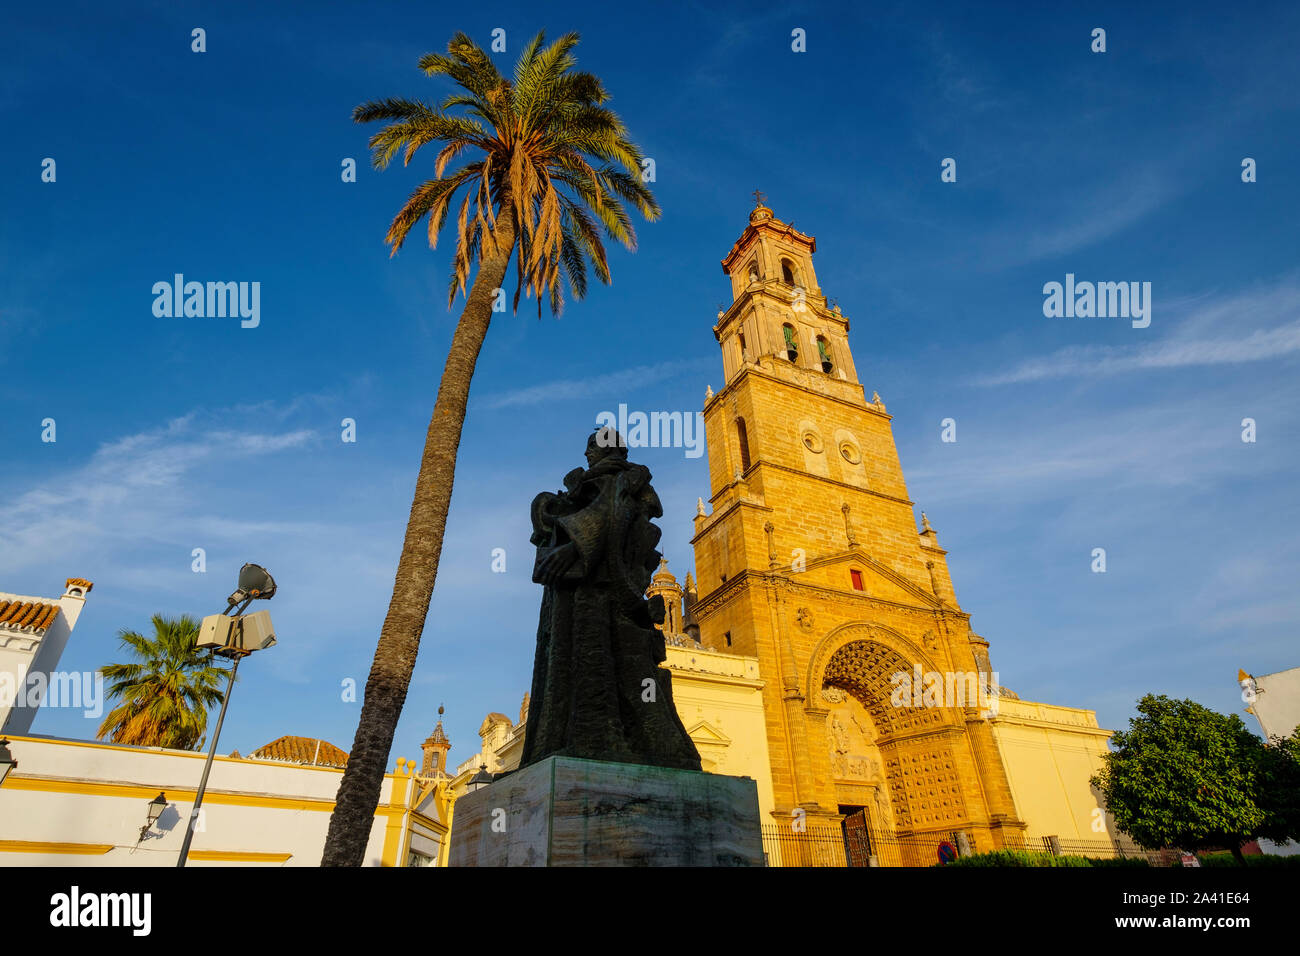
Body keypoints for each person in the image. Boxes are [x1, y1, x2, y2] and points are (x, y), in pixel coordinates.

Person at [519, 427, 702, 771]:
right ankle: (563, 742)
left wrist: (577, 545)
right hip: (577, 595)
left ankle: (634, 747)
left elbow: (619, 520)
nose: (587, 454)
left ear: (606, 450)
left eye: (591, 447)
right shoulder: (589, 486)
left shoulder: (629, 484)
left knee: (608, 666)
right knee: (569, 665)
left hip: (607, 595)